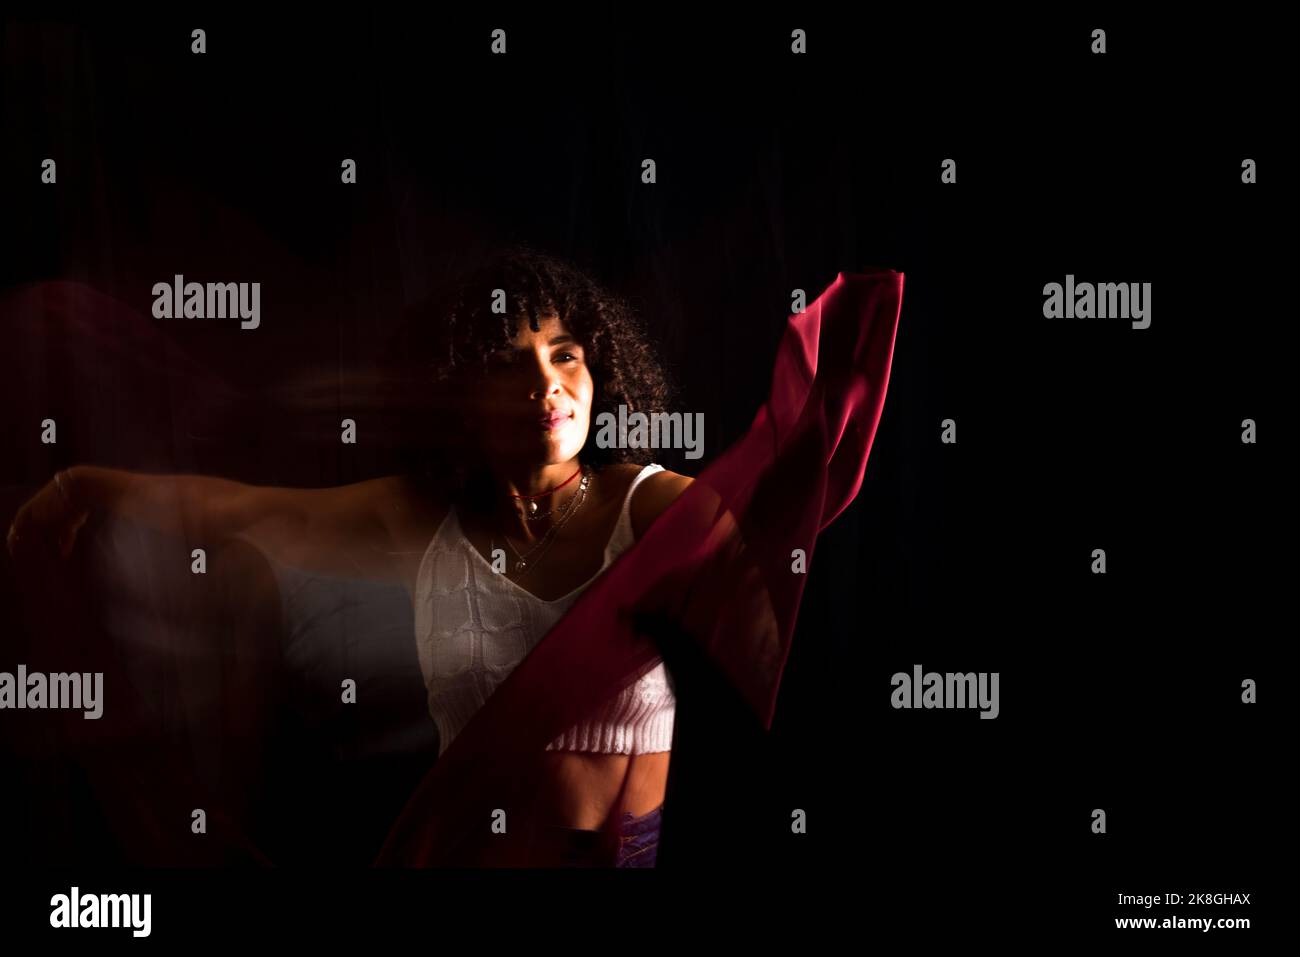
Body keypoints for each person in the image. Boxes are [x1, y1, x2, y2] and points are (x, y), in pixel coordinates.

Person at [7, 246, 905, 868]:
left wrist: (826, 409)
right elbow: (246, 511)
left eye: (563, 353)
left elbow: (773, 514)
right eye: (508, 363)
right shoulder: (423, 522)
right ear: (459, 397)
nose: (546, 382)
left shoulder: (651, 505)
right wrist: (91, 486)